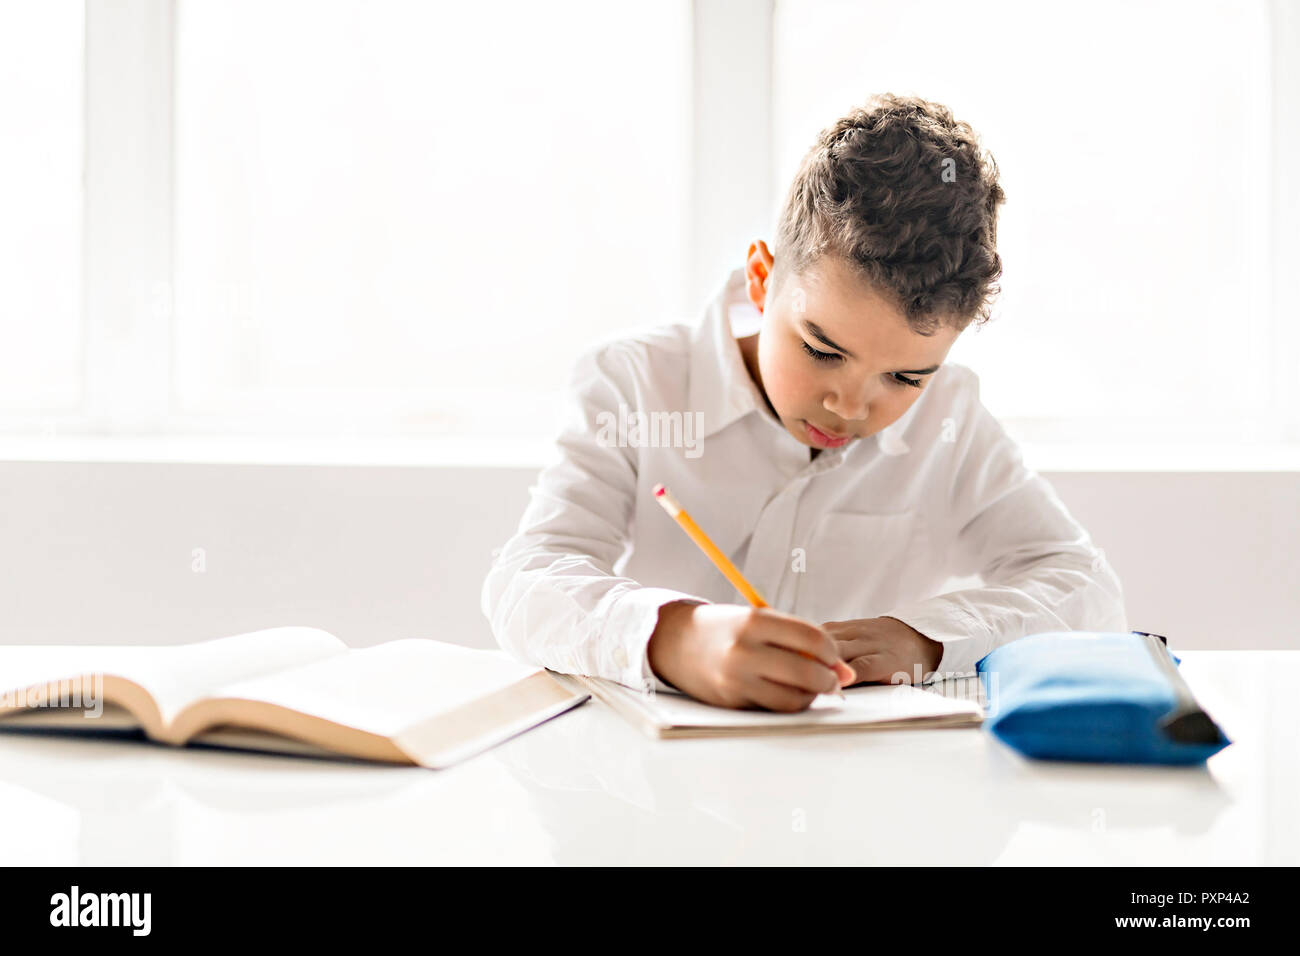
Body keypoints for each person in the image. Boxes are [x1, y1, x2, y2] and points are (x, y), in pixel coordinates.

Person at [482, 93, 1127, 712]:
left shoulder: (952, 418)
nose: (849, 407)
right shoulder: (635, 382)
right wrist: (672, 638)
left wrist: (927, 639)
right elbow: (526, 579)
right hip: (665, 788)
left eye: (905, 378)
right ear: (763, 280)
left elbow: (1087, 588)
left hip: (866, 783)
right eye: (822, 350)